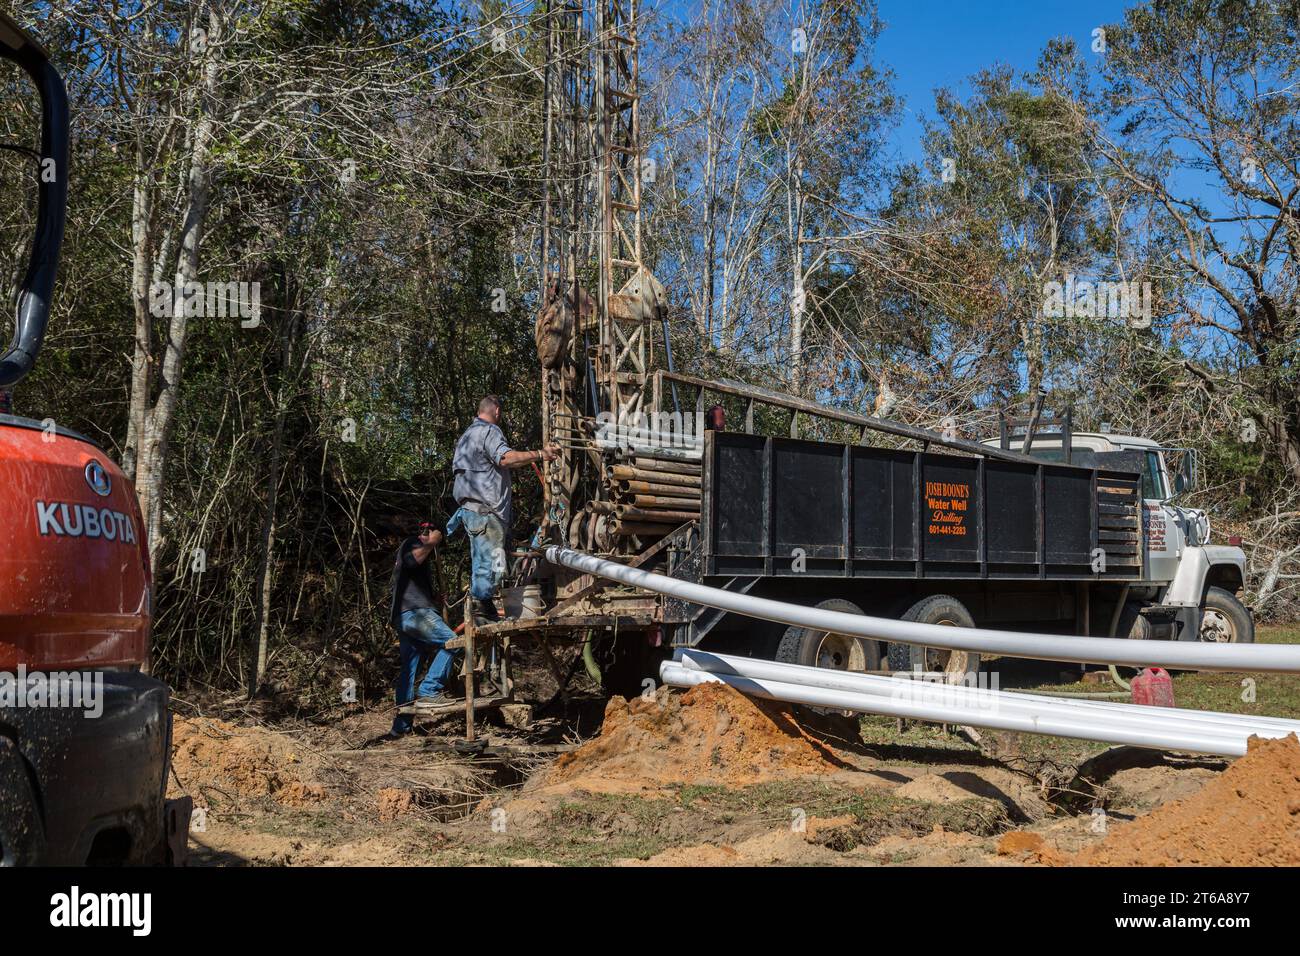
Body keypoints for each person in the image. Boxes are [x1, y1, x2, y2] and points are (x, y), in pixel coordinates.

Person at [447, 395, 558, 624]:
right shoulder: (489, 431)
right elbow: (506, 458)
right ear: (496, 411)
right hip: (487, 514)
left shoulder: (466, 436)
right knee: (491, 563)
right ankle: (482, 609)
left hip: (472, 513)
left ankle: (485, 608)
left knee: (488, 561)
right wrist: (540, 454)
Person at [388, 522, 457, 736]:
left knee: (410, 668)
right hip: (415, 613)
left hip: (406, 614)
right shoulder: (412, 544)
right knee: (455, 642)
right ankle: (430, 689)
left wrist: (434, 597)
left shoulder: (421, 554)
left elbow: (412, 579)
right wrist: (431, 543)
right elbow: (411, 561)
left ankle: (401, 727)